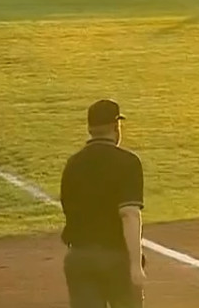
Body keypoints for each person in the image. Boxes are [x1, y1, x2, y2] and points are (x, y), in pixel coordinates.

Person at [61, 99, 146, 308]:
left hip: (78, 258)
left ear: (90, 129)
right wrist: (136, 265)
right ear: (115, 127)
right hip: (115, 259)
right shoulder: (128, 162)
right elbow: (129, 214)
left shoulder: (73, 164)